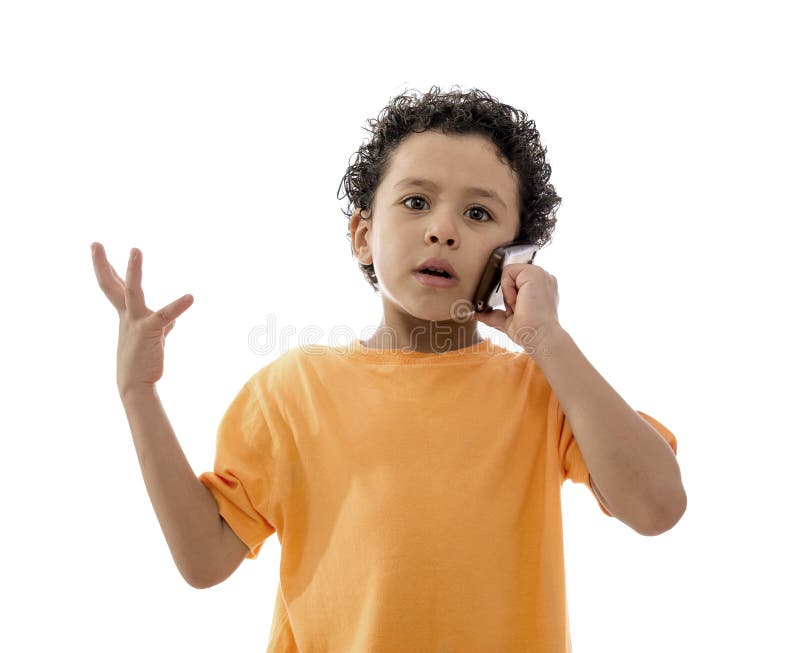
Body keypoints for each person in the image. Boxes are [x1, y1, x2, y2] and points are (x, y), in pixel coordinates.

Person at [91, 85, 684, 653]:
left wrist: (547, 340)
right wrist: (137, 392)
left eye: (478, 213)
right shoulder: (291, 391)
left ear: (515, 256)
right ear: (362, 235)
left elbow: (657, 507)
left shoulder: (546, 390)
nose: (442, 229)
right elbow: (204, 558)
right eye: (416, 202)